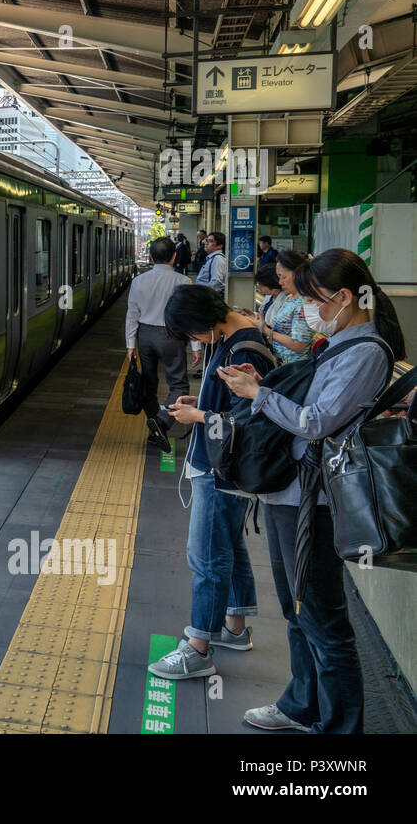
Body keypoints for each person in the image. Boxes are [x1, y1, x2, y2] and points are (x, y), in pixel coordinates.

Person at [219, 249, 405, 734]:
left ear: (344, 298)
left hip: (317, 502)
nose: (306, 309)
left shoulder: (366, 352)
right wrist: (263, 388)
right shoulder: (337, 342)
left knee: (323, 619)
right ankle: (302, 704)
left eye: (313, 299)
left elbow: (317, 423)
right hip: (291, 495)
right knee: (296, 607)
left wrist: (257, 396)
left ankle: (340, 727)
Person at [149, 284, 277, 681]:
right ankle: (234, 628)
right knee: (229, 547)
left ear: (204, 322)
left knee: (205, 558)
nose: (193, 340)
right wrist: (199, 407)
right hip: (225, 468)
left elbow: (250, 420)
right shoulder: (236, 338)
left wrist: (201, 419)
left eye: (191, 332)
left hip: (221, 470)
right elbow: (233, 405)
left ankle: (198, 647)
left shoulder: (242, 350)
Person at [125, 237, 196, 452]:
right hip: (172, 336)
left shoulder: (139, 281)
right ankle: (162, 422)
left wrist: (130, 344)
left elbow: (132, 314)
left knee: (148, 383)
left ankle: (156, 425)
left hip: (145, 335)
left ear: (151, 257)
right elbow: (188, 316)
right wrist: (196, 346)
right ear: (175, 257)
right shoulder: (184, 282)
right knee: (179, 385)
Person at [258, 250, 314, 363]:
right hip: (282, 361)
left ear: (297, 274)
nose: (280, 282)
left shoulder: (303, 303)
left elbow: (299, 345)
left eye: (283, 277)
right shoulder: (290, 298)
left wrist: (266, 330)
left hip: (294, 367)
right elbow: (285, 326)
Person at [197, 231, 227, 297]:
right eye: (207, 240)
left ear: (219, 246)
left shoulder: (218, 259)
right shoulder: (212, 258)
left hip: (210, 296)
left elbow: (216, 283)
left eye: (210, 241)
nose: (206, 243)